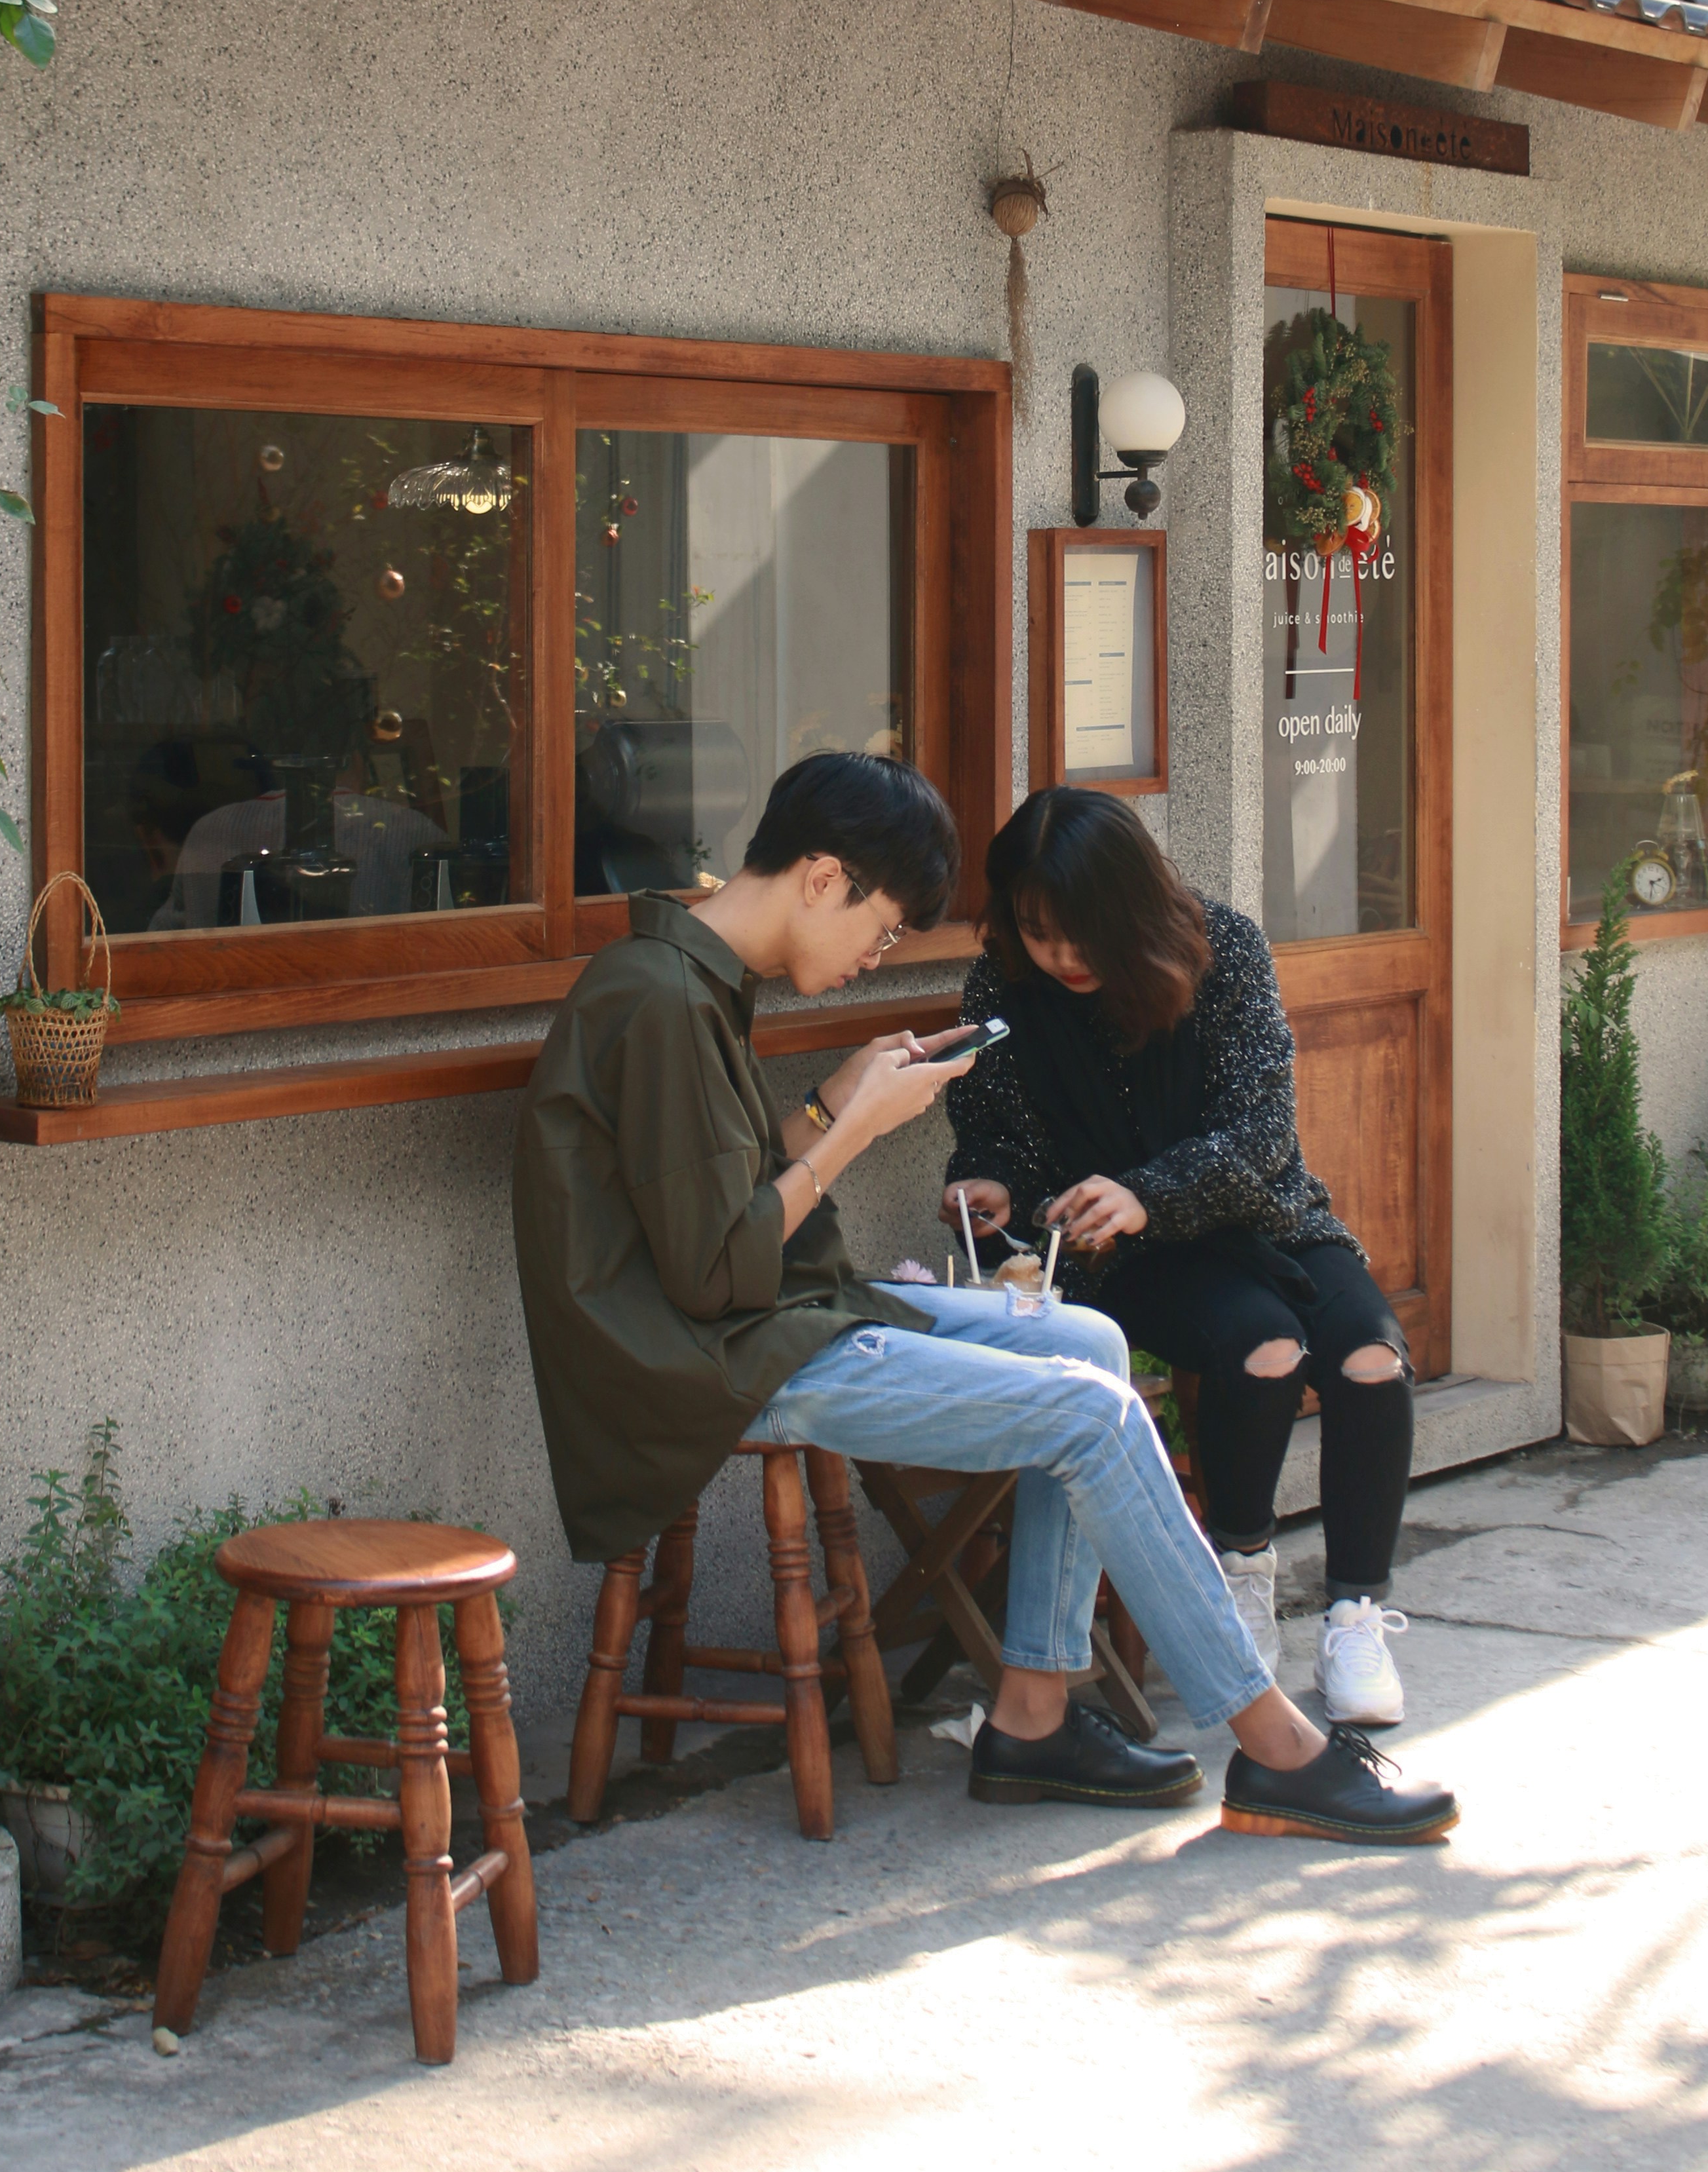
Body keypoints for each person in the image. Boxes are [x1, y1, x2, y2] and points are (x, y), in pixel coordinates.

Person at [513, 749, 1453, 1845]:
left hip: (760, 1317)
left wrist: (830, 1102)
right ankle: (1276, 1747)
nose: (878, 955)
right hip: (705, 1359)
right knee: (1091, 1413)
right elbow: (715, 1268)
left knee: (1088, 1341)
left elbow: (707, 1201)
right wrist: (856, 1129)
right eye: (884, 927)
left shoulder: (690, 983)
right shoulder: (659, 1000)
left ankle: (1033, 1717)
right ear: (824, 878)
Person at [941, 787, 1419, 1730]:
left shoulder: (1223, 947)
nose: (1062, 957)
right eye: (1039, 932)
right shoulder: (1002, 984)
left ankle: (1357, 1614)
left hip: (1263, 1216)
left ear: (1130, 908)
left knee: (1372, 1355)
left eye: (1080, 933)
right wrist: (989, 1183)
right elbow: (994, 1132)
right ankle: (1242, 1576)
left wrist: (1151, 1191)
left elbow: (1262, 1135)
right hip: (1116, 1256)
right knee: (1262, 1350)